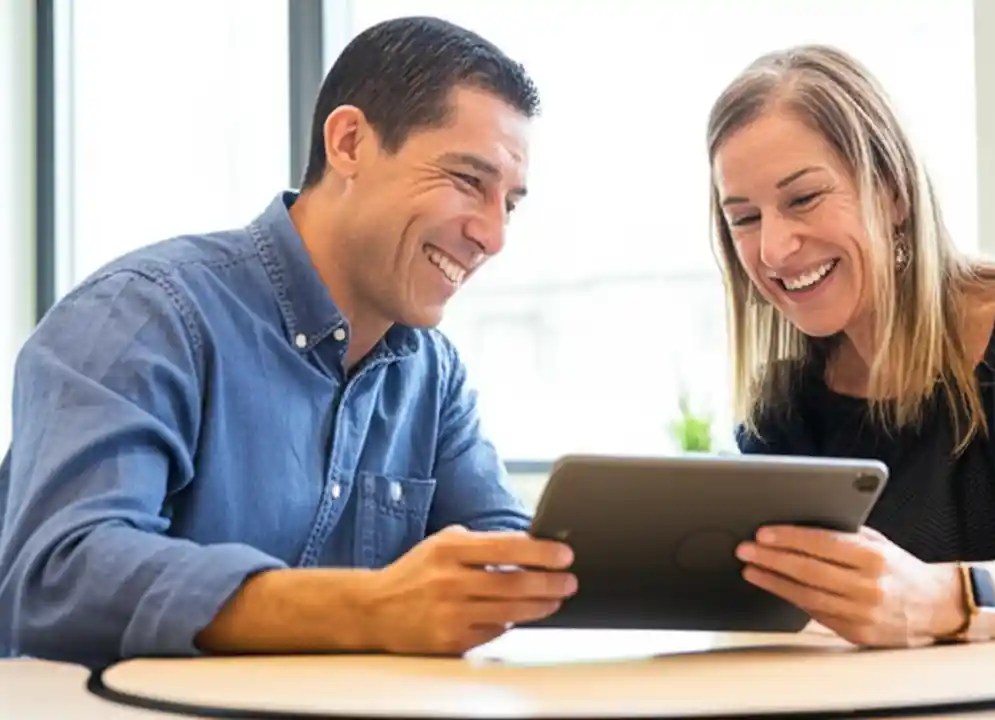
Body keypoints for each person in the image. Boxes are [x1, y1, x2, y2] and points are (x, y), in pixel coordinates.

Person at [0, 16, 577, 667]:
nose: (493, 237)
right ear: (350, 143)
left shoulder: (432, 374)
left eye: (510, 204)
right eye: (469, 181)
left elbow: (505, 555)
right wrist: (369, 609)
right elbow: (59, 577)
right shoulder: (143, 315)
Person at [707, 46, 995, 648]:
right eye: (745, 218)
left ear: (894, 192)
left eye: (803, 199)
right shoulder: (783, 412)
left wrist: (934, 600)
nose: (773, 249)